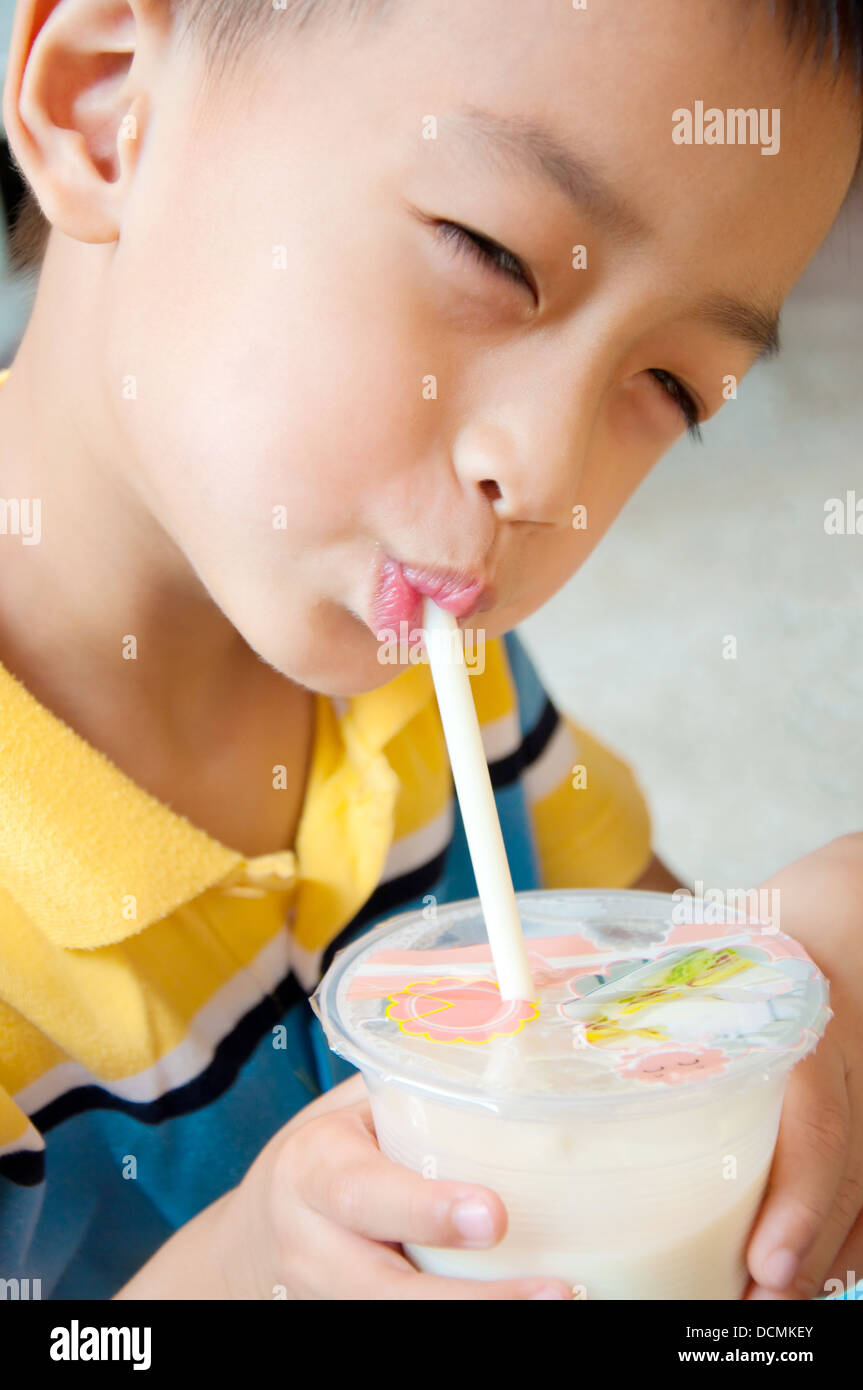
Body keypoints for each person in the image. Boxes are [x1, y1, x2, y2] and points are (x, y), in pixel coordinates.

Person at [0, 0, 860, 1301]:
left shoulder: (435, 668)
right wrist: (249, 1268)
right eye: (494, 254)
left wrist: (812, 956)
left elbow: (639, 985)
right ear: (106, 107)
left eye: (671, 388)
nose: (545, 467)